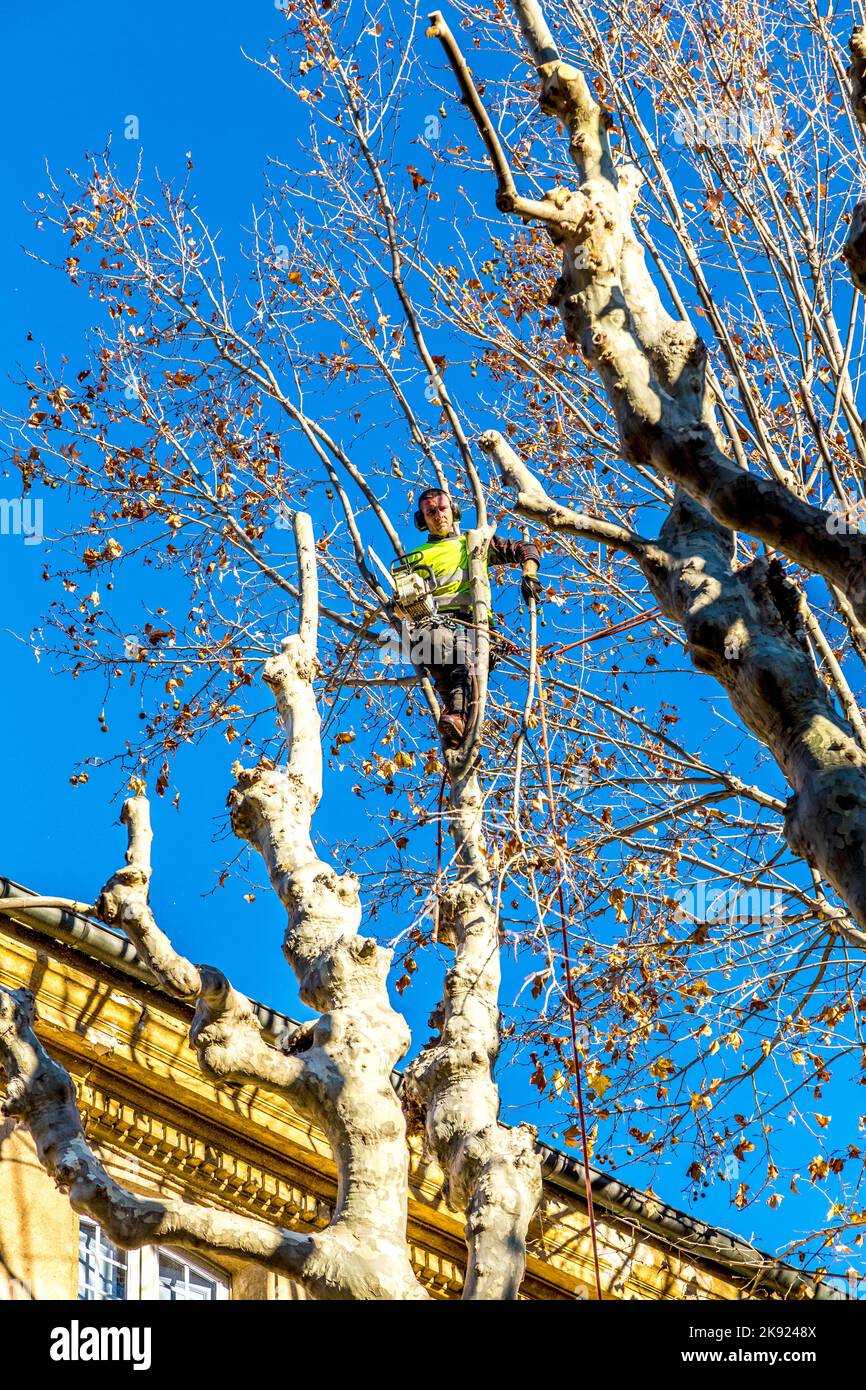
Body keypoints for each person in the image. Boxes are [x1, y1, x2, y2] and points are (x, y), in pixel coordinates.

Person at [404, 486, 542, 747]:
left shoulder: (473, 542)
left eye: (442, 508)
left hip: (473, 624)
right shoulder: (415, 558)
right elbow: (402, 604)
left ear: (453, 511)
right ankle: (456, 717)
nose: (438, 515)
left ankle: (456, 726)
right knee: (458, 661)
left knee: (463, 678)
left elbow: (525, 548)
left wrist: (529, 574)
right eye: (430, 512)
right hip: (434, 627)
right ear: (422, 519)